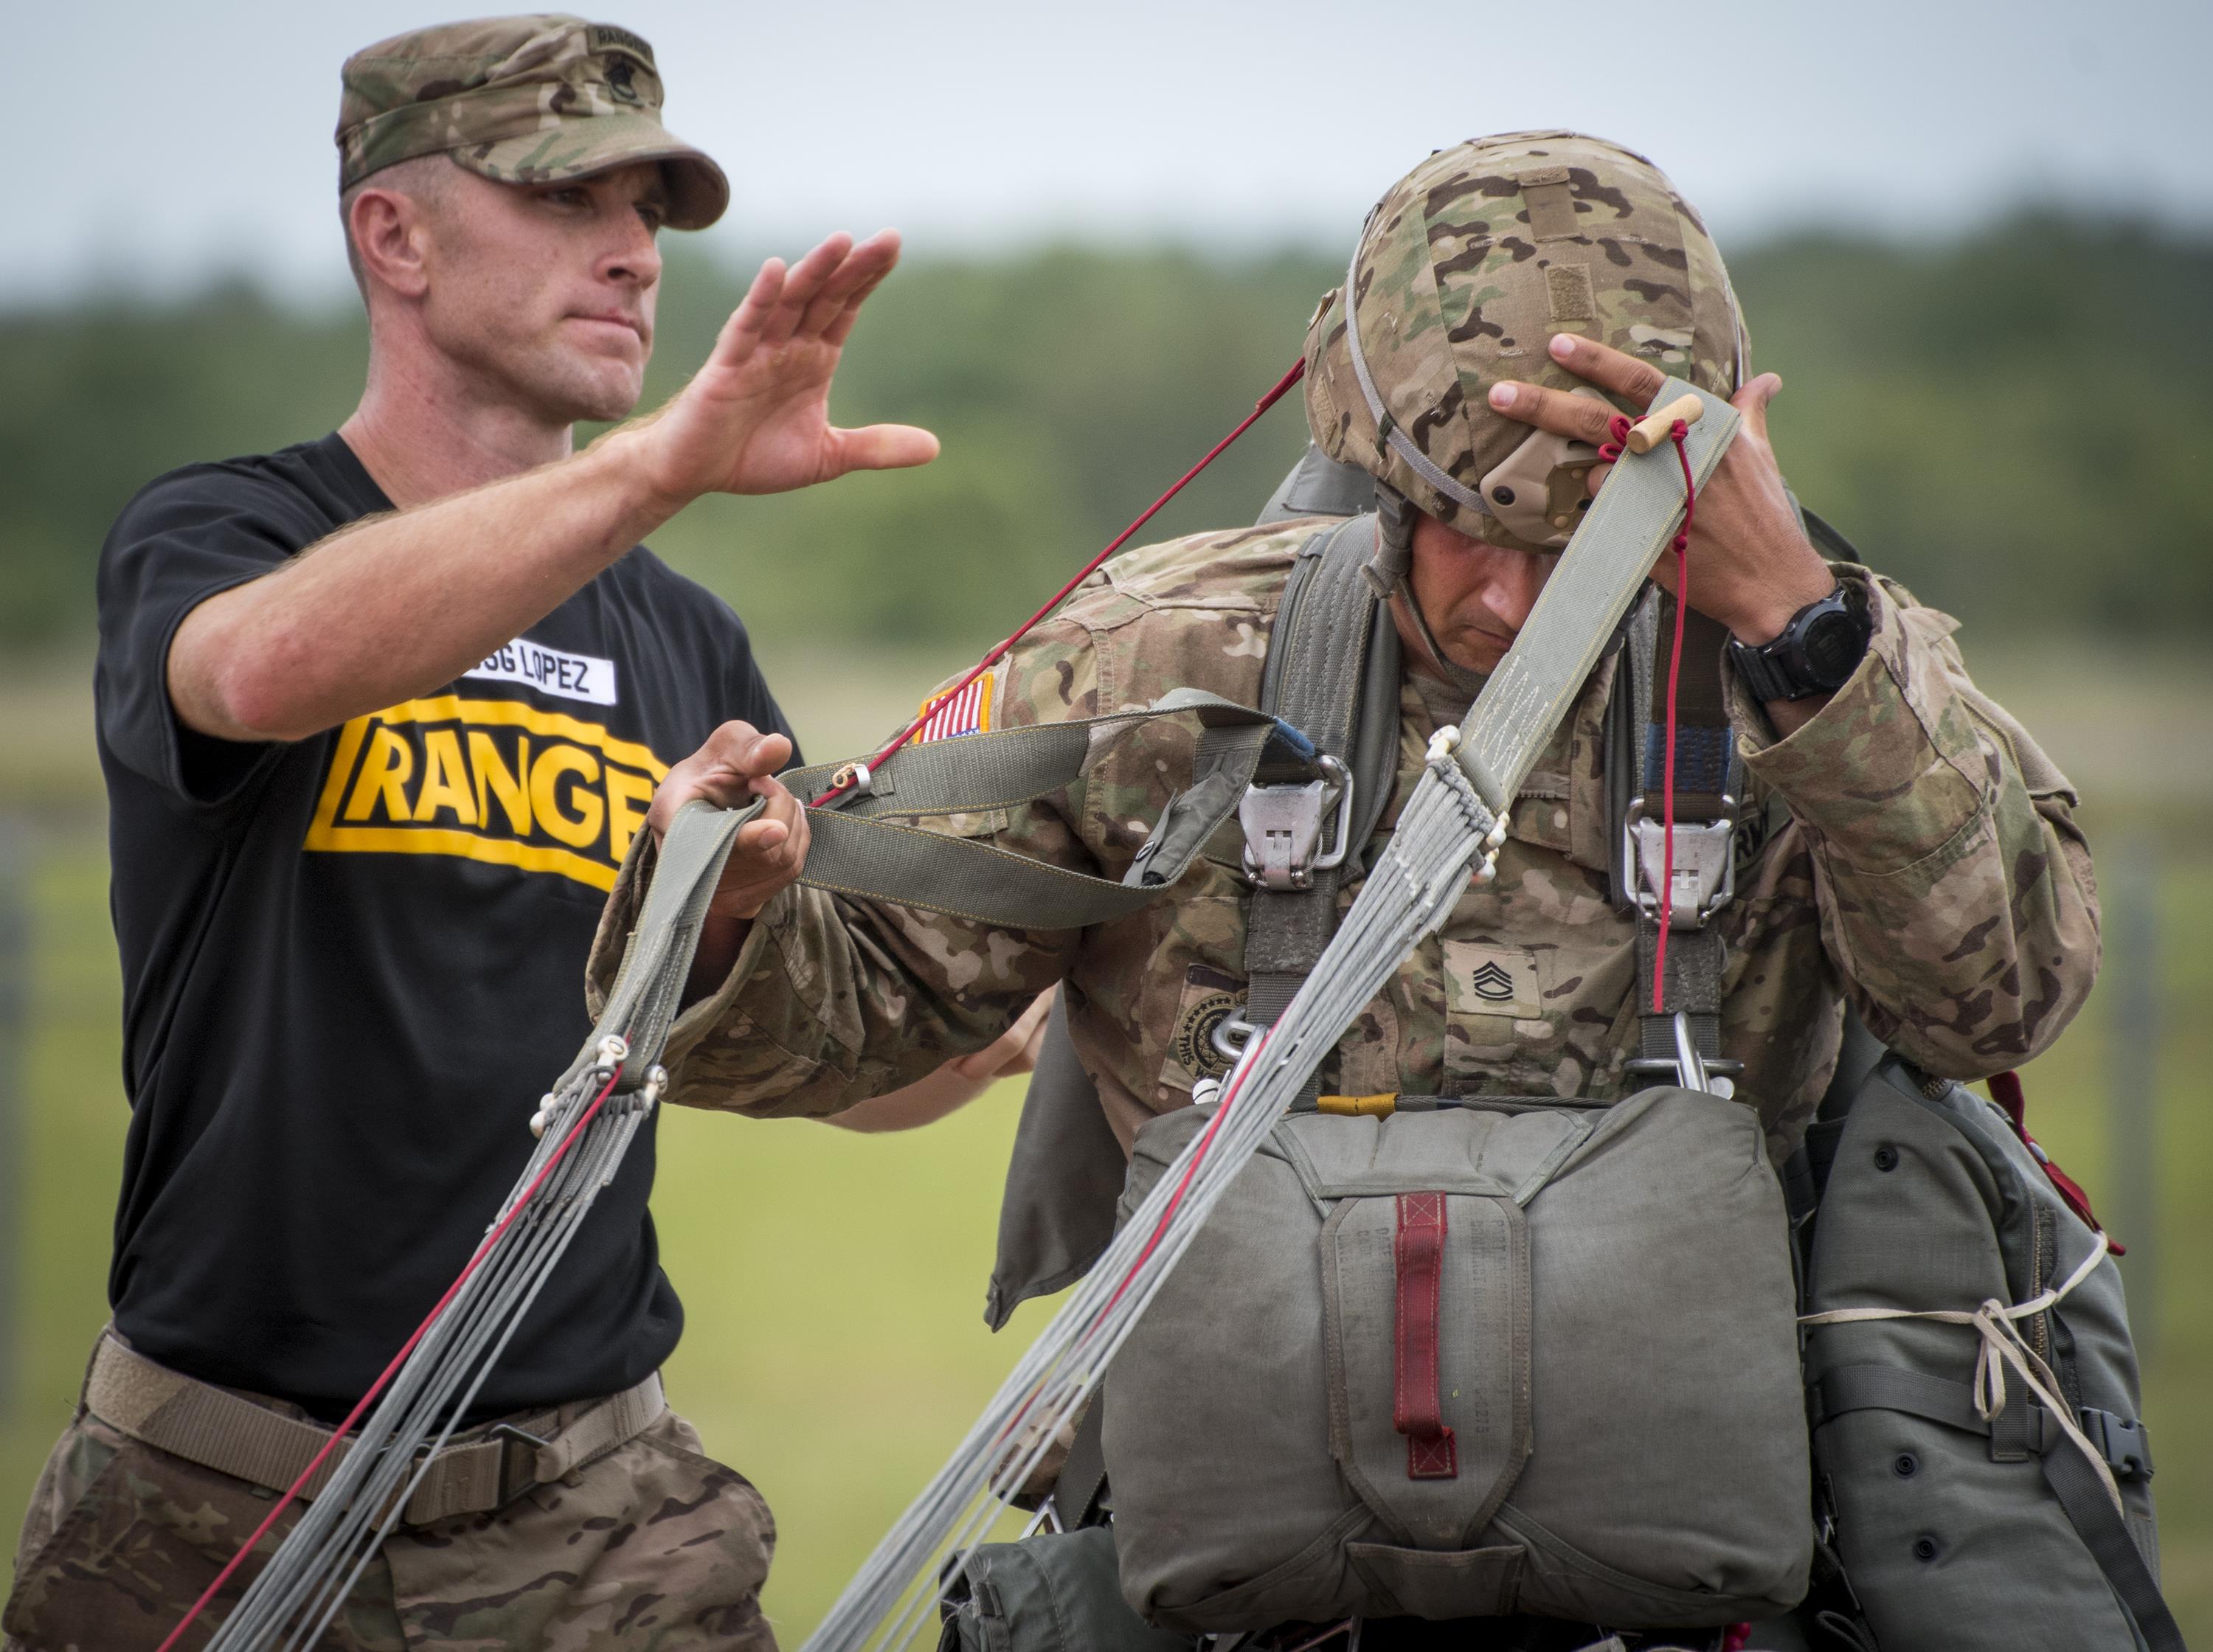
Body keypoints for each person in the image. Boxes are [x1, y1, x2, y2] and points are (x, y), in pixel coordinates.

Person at [600, 132, 2100, 1643]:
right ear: (1368, 455)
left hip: (1686, 1586)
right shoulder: (1162, 667)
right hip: (1236, 1589)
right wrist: (733, 912)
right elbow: (832, 1026)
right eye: (1464, 520)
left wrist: (1800, 635)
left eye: (1577, 532)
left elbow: (1999, 1000)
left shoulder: (1834, 678)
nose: (1512, 596)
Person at [2, 15, 1034, 1651]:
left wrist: (1006, 1017)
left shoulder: (684, 643)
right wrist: (659, 469)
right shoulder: (224, 536)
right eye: (569, 203)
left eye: (647, 217)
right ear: (391, 233)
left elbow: (839, 1060)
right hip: (207, 1509)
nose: (631, 257)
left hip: (604, 1525)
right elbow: (265, 669)